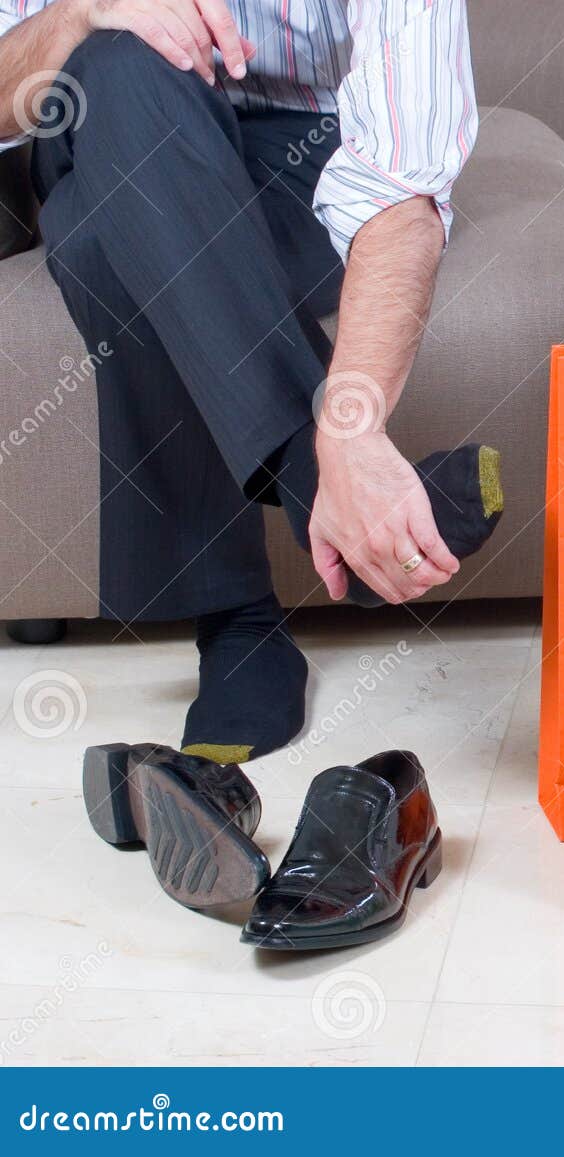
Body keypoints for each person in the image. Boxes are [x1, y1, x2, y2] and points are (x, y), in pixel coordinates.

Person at [0, 0, 503, 766]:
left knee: (102, 232)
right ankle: (309, 492)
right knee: (119, 65)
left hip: (296, 148)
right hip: (96, 117)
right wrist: (83, 13)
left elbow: (401, 186)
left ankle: (237, 621)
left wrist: (355, 424)